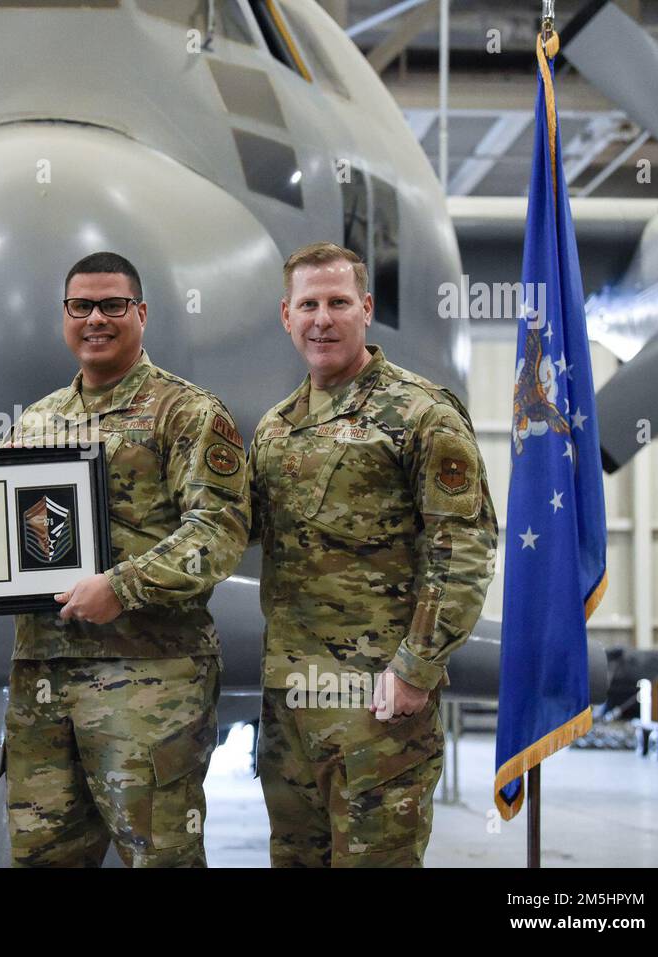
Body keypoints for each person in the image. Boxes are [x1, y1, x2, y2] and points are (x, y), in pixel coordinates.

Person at [246, 241, 497, 867]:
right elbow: (232, 526)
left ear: (366, 308)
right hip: (292, 704)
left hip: (378, 707)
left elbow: (462, 549)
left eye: (337, 302)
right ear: (286, 315)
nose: (322, 319)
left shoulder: (420, 413)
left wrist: (417, 666)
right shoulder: (275, 427)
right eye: (308, 304)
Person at [5, 251, 250, 867]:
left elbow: (217, 531)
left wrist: (124, 585)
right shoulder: (37, 421)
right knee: (43, 856)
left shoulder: (188, 413)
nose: (96, 318)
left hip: (151, 680)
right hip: (44, 679)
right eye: (80, 306)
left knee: (159, 855)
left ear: (140, 313)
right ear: (64, 316)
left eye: (113, 305)